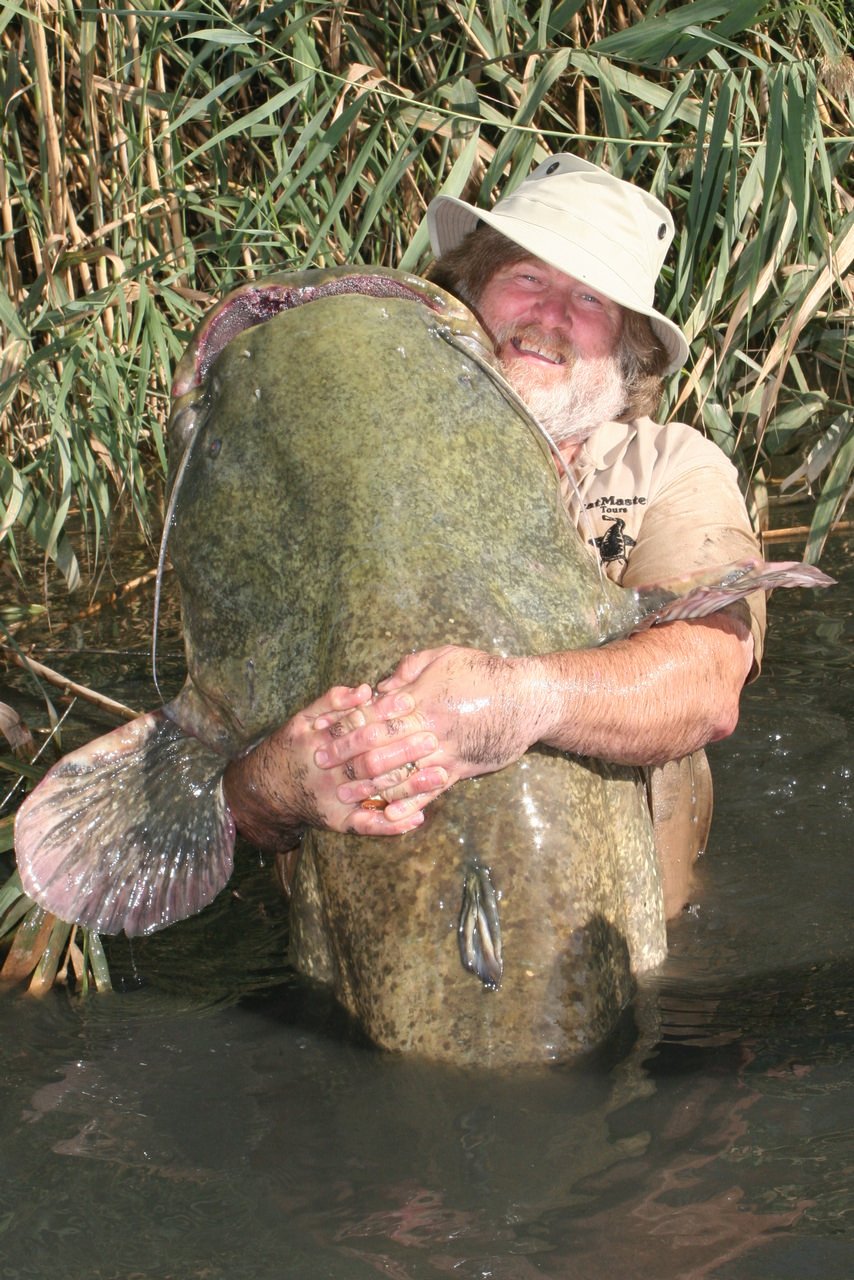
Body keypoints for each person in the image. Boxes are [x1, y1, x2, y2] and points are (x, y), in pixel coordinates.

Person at [223, 154, 765, 917]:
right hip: (342, 960)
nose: (549, 315)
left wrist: (522, 700)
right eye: (527, 278)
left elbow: (709, 683)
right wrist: (272, 784)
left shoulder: (670, 467)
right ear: (467, 293)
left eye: (589, 298)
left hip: (616, 962)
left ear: (630, 349)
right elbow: (225, 776)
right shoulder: (348, 461)